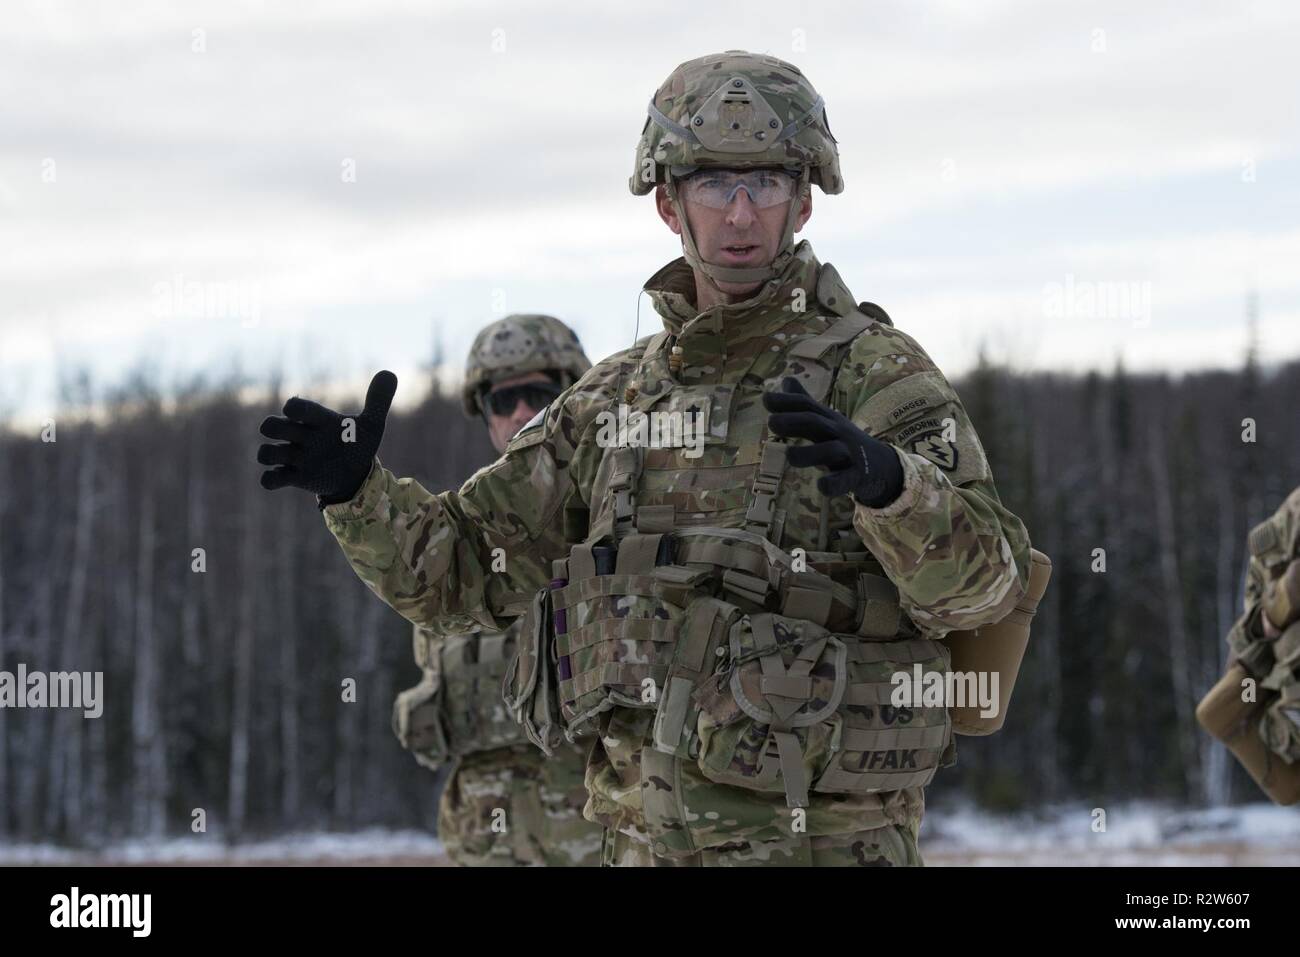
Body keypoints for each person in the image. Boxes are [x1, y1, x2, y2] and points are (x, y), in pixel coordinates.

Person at [258, 51, 1031, 866]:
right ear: (669, 203)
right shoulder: (611, 403)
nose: (740, 214)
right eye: (713, 184)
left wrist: (894, 489)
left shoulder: (875, 372)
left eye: (764, 182)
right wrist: (357, 493)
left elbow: (989, 590)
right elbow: (461, 578)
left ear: (803, 199)